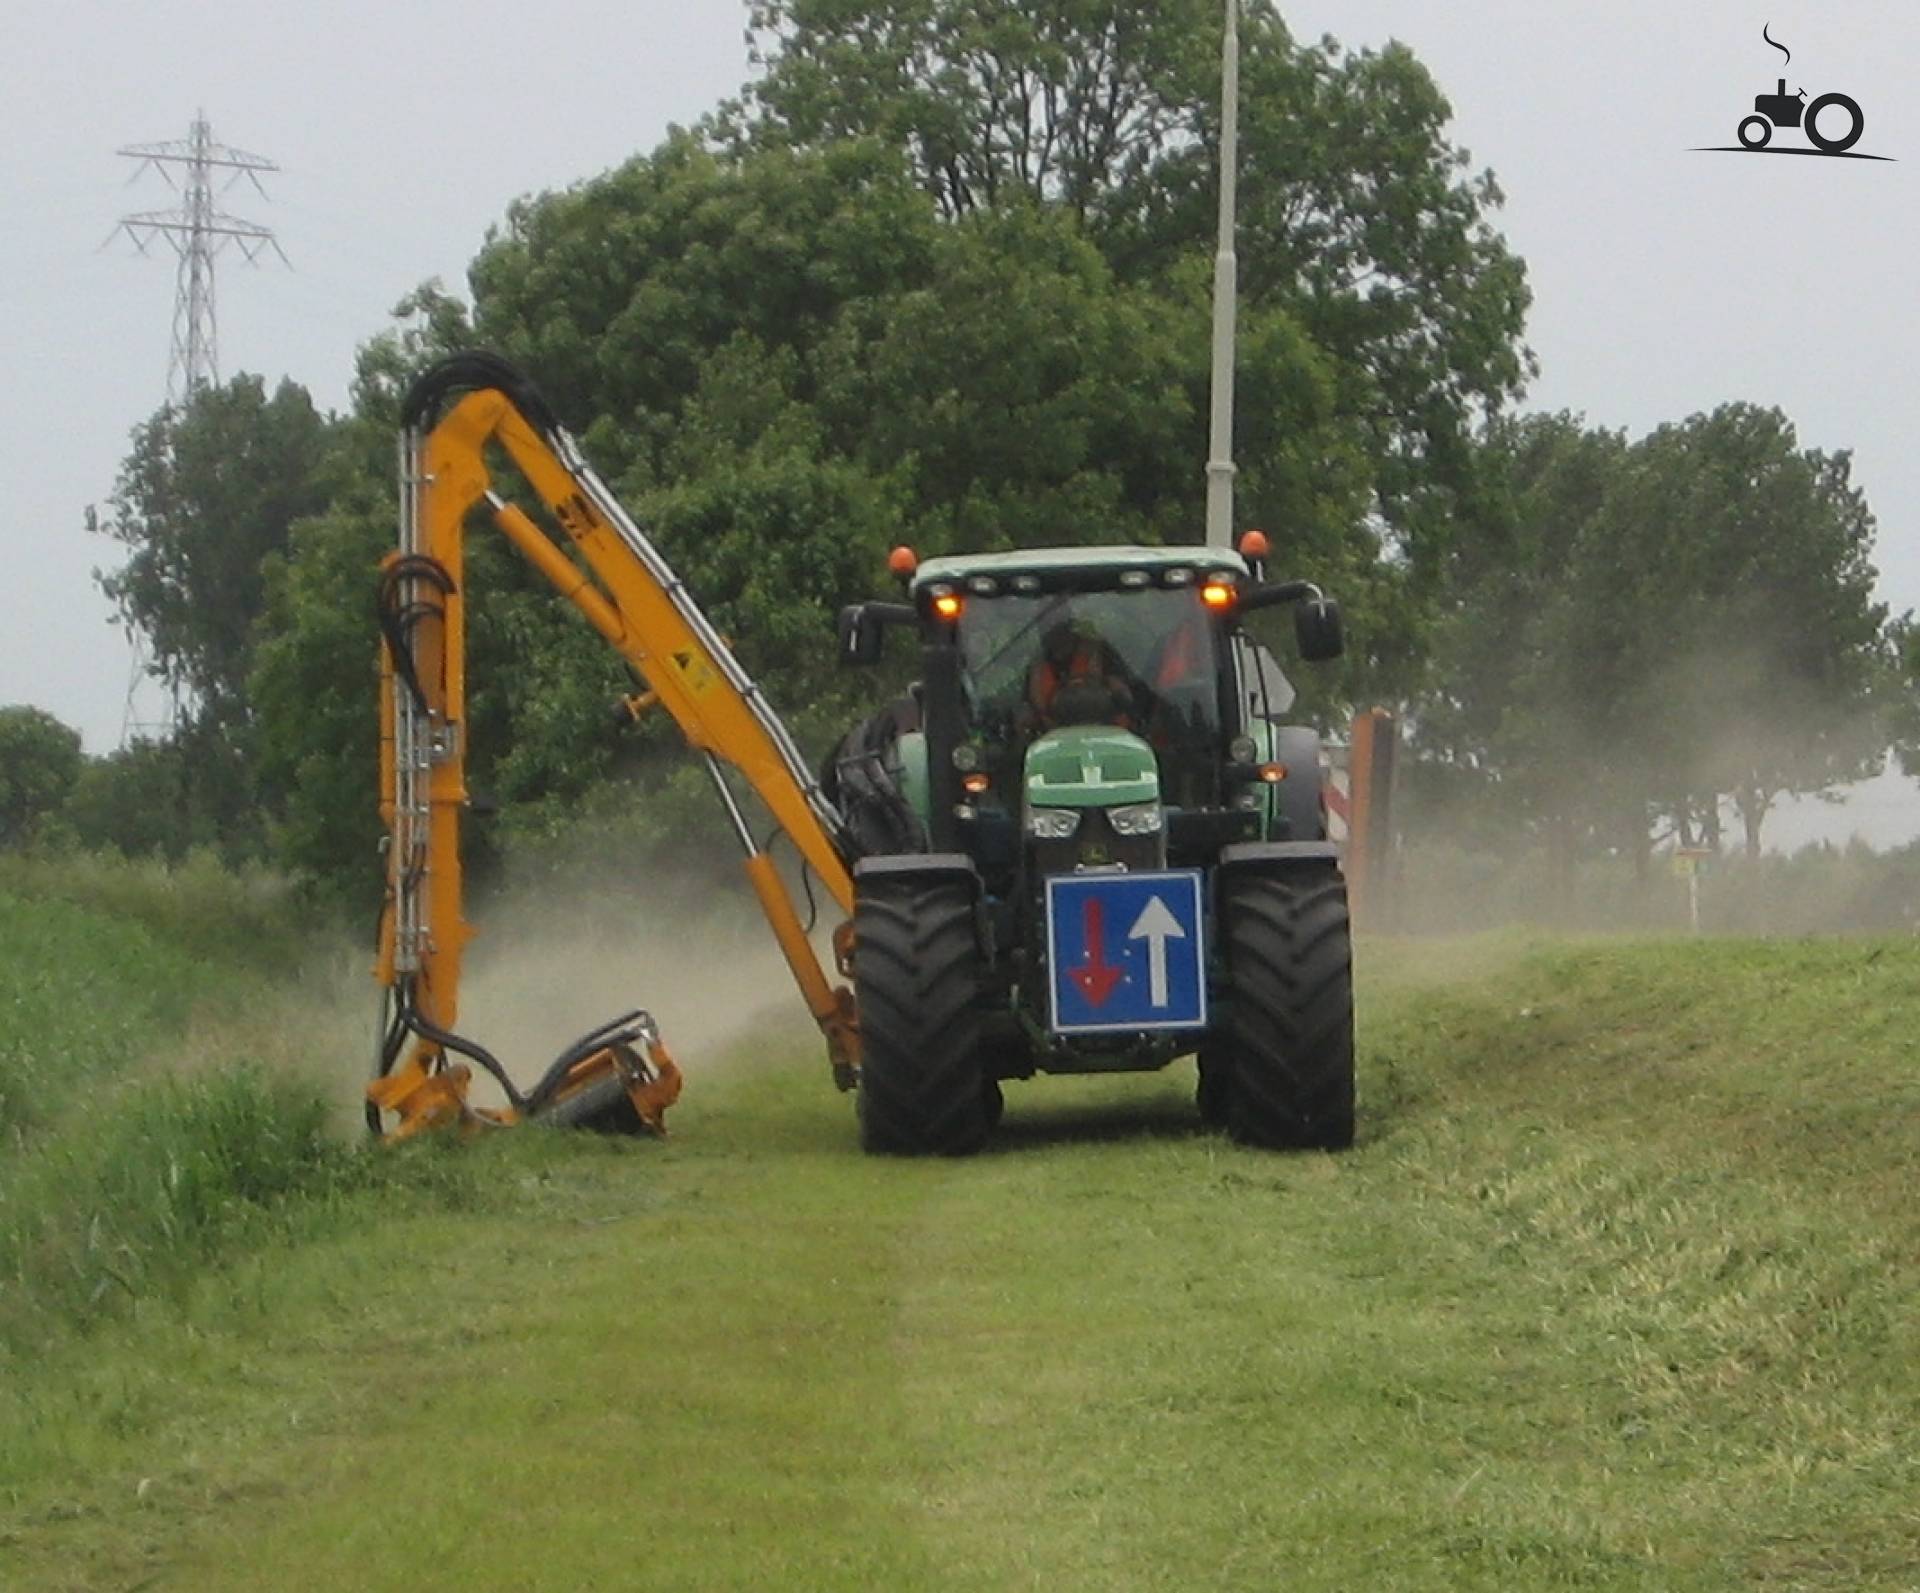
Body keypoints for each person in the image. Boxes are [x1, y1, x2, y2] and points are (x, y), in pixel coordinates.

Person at [1026, 619, 1135, 730]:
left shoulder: (1103, 658)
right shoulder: (1037, 670)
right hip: (1054, 737)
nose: (1059, 638)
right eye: (1051, 631)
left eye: (1063, 631)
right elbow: (1029, 712)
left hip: (1110, 735)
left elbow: (1127, 699)